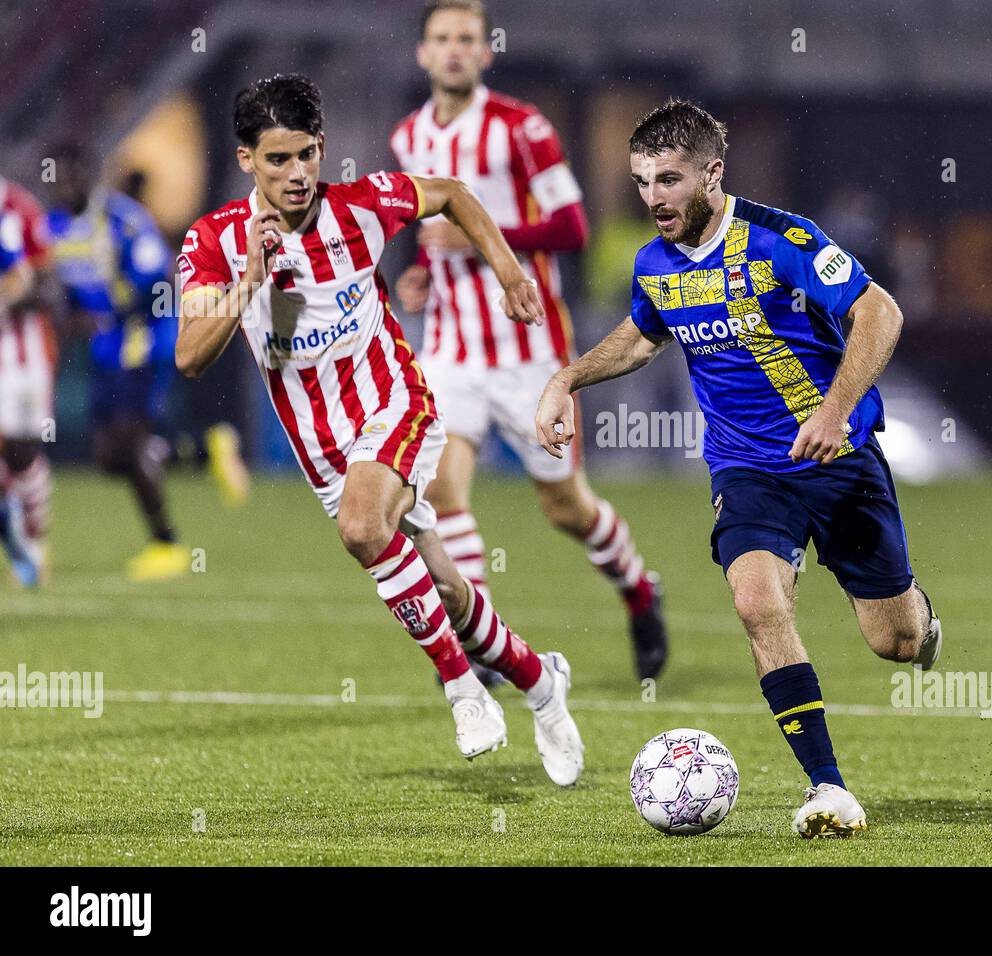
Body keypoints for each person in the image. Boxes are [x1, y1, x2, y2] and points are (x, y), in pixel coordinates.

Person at [536, 99, 944, 835]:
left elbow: (879, 312)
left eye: (670, 179)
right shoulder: (654, 262)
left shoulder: (784, 240)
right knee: (757, 602)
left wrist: (833, 409)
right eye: (642, 182)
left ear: (712, 174)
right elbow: (643, 333)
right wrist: (567, 379)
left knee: (896, 642)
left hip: (837, 457)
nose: (655, 197)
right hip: (746, 470)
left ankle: (918, 615)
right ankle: (828, 787)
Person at [175, 73, 583, 784]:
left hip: (398, 406)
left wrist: (510, 273)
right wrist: (249, 280)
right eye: (278, 159)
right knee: (448, 593)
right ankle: (541, 682)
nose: (297, 173)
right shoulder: (213, 241)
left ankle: (462, 690)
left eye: (307, 154)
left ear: (323, 147)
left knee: (364, 529)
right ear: (246, 160)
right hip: (324, 453)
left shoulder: (364, 204)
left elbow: (453, 193)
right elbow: (188, 355)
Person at [391, 0, 668, 681]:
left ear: (486, 52)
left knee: (566, 508)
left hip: (528, 351)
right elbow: (432, 236)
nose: (454, 49)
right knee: (442, 492)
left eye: (467, 38)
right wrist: (425, 271)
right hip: (452, 350)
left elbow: (575, 228)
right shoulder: (408, 138)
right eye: (441, 39)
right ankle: (481, 641)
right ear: (423, 53)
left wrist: (484, 236)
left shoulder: (523, 128)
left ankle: (638, 590)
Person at [46, 144, 190, 581]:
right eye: (58, 178)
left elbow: (154, 278)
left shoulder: (123, 220)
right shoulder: (53, 227)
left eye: (73, 177)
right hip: (107, 351)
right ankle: (199, 449)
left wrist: (104, 310)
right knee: (108, 457)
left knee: (127, 442)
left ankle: (167, 545)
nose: (65, 186)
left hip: (144, 342)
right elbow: (67, 286)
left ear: (91, 177)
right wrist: (69, 315)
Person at [0, 175, 55, 587]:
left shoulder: (18, 209)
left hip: (19, 353)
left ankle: (33, 540)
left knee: (19, 451)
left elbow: (39, 280)